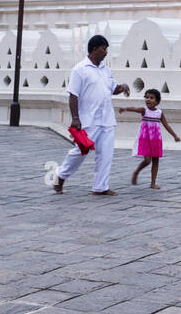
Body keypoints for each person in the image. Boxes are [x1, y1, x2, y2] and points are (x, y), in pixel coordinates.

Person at [53, 34, 130, 195]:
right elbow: (73, 95)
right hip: (89, 119)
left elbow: (111, 88)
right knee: (80, 151)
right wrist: (75, 118)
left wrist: (122, 87)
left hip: (107, 119)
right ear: (94, 49)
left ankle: (100, 187)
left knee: (106, 154)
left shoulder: (105, 69)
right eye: (104, 49)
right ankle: (60, 175)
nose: (106, 52)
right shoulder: (80, 69)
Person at [122, 89, 180, 188]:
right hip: (145, 139)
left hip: (156, 140)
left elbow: (166, 125)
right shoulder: (144, 110)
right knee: (147, 161)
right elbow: (135, 109)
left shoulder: (159, 113)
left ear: (157, 102)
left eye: (151, 98)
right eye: (147, 97)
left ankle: (153, 183)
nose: (148, 99)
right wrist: (125, 108)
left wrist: (174, 135)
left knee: (156, 161)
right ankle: (136, 172)